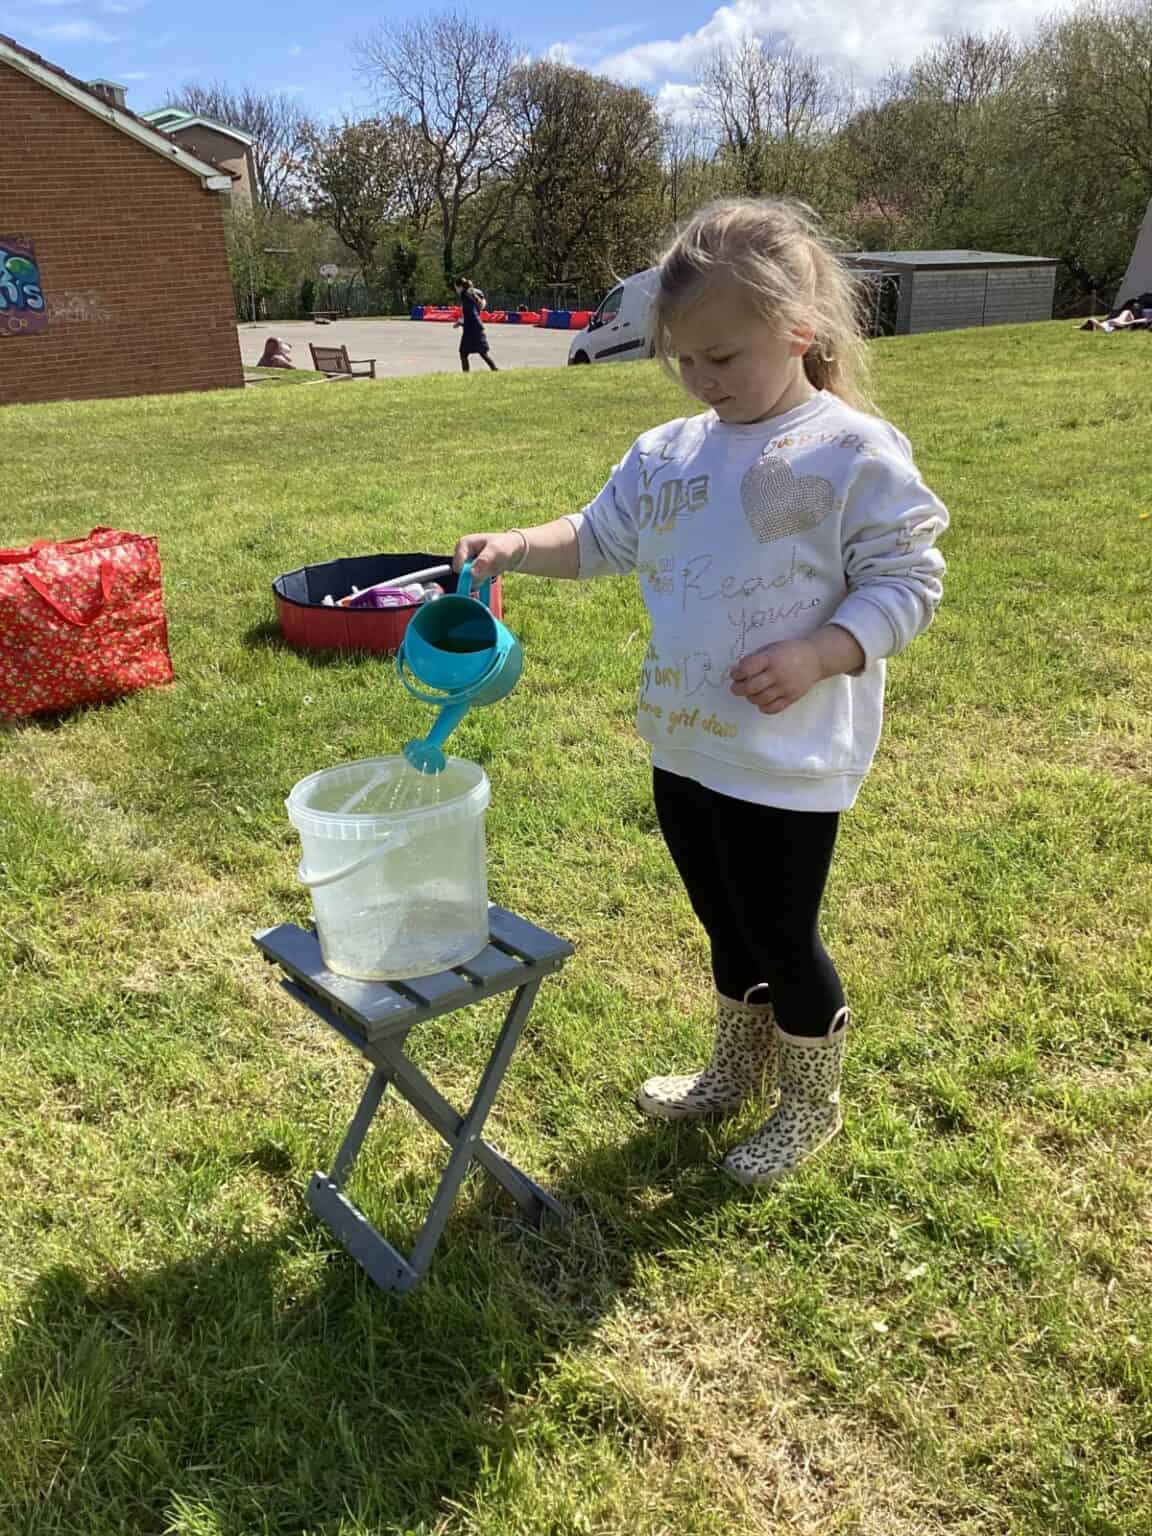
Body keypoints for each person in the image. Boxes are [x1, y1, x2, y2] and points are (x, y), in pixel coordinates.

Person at [452, 199, 948, 1186]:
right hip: (685, 738)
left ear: (799, 329)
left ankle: (811, 1101)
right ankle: (736, 1068)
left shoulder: (851, 451)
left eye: (723, 357)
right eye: (682, 359)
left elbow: (909, 579)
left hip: (786, 755)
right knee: (724, 920)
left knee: (781, 932)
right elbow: (597, 537)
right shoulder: (668, 453)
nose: (701, 379)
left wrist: (823, 653)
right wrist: (515, 544)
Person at [452, 277, 498, 373]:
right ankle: (495, 370)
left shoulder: (465, 296)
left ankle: (466, 375)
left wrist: (460, 322)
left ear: (460, 287)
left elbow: (470, 313)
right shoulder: (472, 292)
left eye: (456, 288)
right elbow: (481, 299)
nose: (456, 290)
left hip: (471, 329)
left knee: (463, 352)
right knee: (482, 352)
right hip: (477, 327)